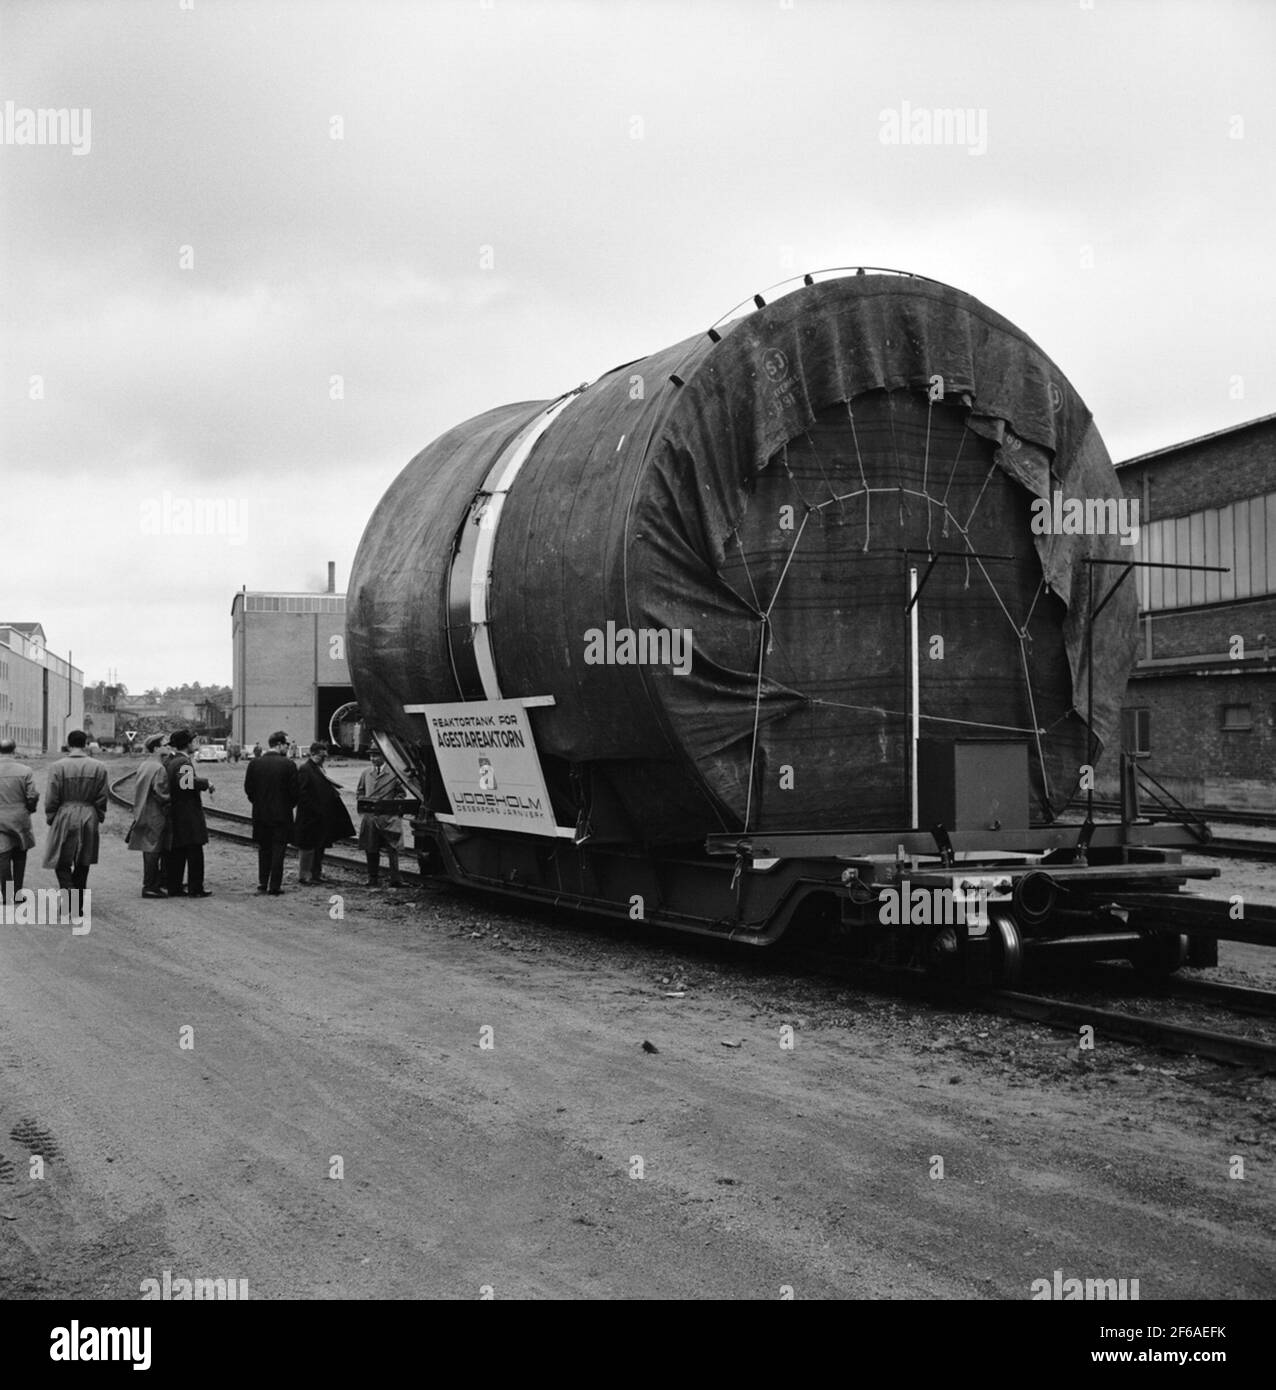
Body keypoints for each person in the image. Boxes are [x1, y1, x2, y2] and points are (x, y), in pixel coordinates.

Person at [43, 730, 107, 917]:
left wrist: (51, 816)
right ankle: (77, 903)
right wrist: (99, 815)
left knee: (61, 860)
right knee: (83, 860)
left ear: (68, 744)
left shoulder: (58, 766)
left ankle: (69, 895)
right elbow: (102, 796)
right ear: (86, 743)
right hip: (88, 812)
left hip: (65, 812)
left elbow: (52, 796)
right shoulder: (99, 767)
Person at [244, 730, 300, 895]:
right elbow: (295, 793)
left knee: (264, 849)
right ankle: (274, 886)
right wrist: (286, 805)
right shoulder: (289, 765)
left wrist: (259, 803)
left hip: (260, 814)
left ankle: (262, 883)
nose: (288, 748)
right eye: (287, 744)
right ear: (280, 744)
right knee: (278, 850)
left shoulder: (254, 764)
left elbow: (249, 790)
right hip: (281, 815)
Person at [294, 742, 355, 884]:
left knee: (319, 846)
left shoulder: (317, 768)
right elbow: (302, 794)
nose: (324, 759)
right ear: (314, 754)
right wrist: (315, 809)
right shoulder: (305, 769)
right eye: (322, 756)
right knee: (308, 847)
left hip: (319, 817)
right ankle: (305, 876)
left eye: (325, 756)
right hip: (309, 817)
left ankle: (316, 873)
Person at [166, 729, 213, 898]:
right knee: (194, 851)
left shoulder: (172, 761)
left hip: (177, 812)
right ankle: (196, 888)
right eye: (193, 741)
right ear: (187, 744)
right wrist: (206, 783)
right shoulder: (183, 762)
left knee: (178, 852)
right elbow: (186, 784)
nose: (195, 744)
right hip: (188, 813)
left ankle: (175, 886)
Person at [126, 734, 171, 898]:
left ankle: (151, 884)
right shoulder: (159, 768)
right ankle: (151, 886)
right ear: (156, 748)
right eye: (165, 745)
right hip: (155, 814)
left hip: (143, 811)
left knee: (148, 849)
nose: (168, 748)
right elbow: (162, 793)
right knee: (154, 850)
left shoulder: (145, 765)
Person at [357, 746, 405, 888]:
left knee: (393, 849)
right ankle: (373, 878)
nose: (373, 759)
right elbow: (360, 791)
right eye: (371, 756)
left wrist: (391, 805)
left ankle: (395, 879)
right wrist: (364, 802)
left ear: (384, 756)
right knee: (371, 848)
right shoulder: (366, 773)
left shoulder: (394, 773)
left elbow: (401, 794)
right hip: (371, 818)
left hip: (389, 818)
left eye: (376, 756)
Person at [0, 738, 39, 904]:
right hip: (19, 818)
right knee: (20, 855)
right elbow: (32, 796)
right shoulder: (25, 770)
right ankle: (17, 893)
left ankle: (7, 894)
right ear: (14, 750)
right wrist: (28, 809)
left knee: (2, 856)